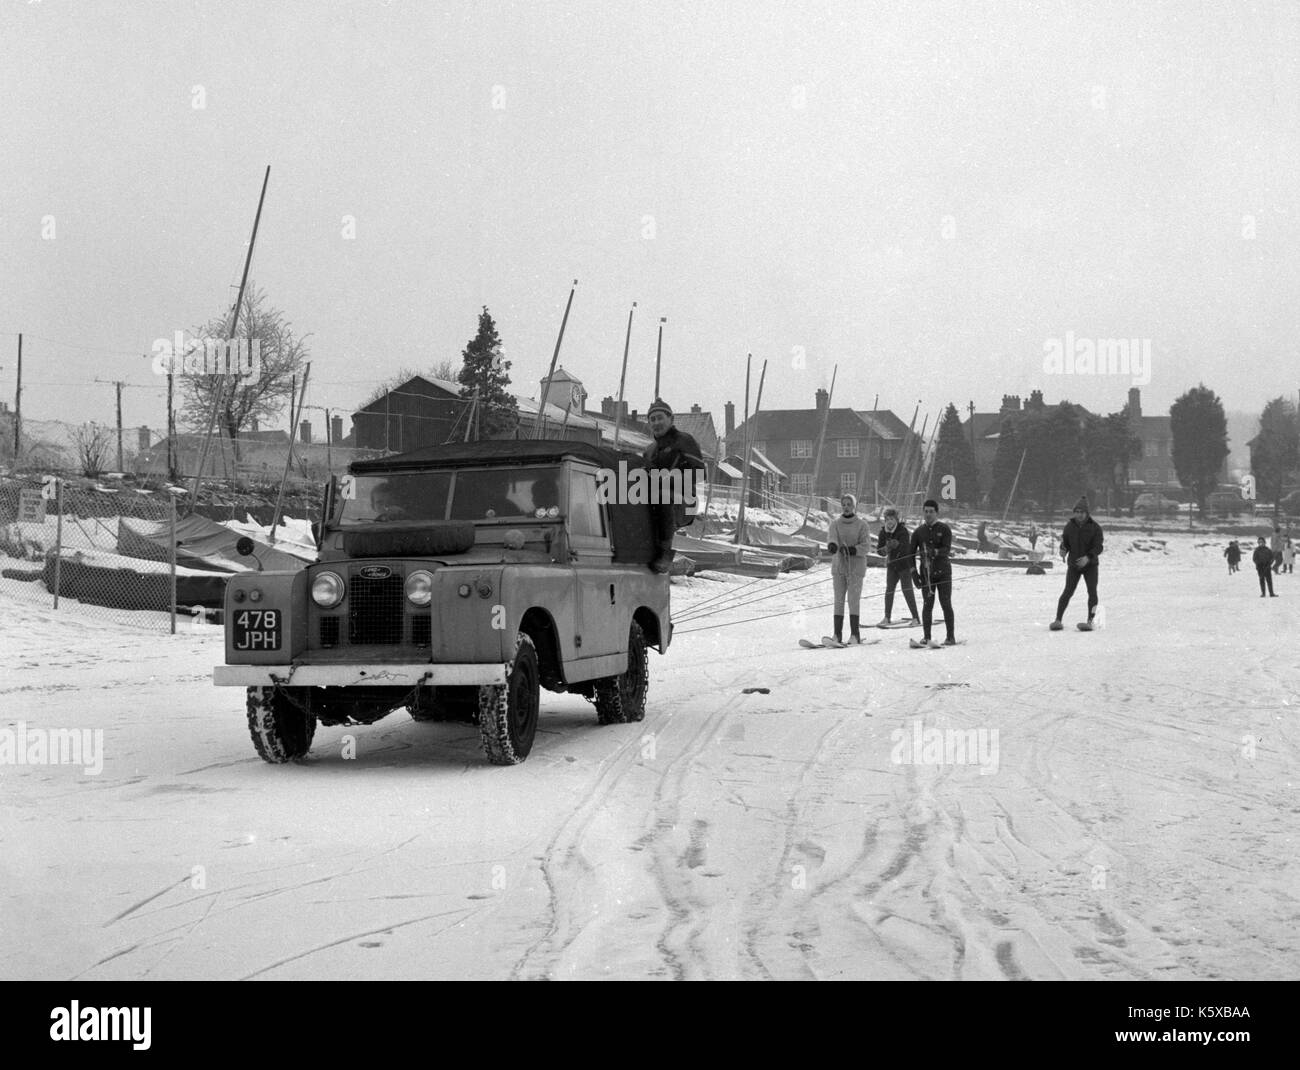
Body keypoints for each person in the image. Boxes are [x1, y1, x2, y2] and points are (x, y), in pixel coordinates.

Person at [643, 398, 706, 574]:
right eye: (652, 419)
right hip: (657, 500)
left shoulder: (684, 441)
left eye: (660, 417)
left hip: (685, 502)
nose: (656, 423)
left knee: (663, 496)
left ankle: (665, 554)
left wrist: (669, 479)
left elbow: (700, 473)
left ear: (671, 419)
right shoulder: (649, 451)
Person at [1051, 496, 1103, 629]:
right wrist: (1063, 550)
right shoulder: (1069, 526)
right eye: (1077, 512)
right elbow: (1066, 543)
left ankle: (1090, 621)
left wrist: (1088, 558)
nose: (1079, 515)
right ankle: (1058, 620)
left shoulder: (1095, 528)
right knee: (1068, 591)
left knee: (1092, 592)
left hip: (1090, 566)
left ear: (1087, 513)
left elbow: (1098, 547)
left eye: (1082, 512)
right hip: (1074, 565)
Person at [909, 498, 956, 646]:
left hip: (943, 572)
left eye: (931, 512)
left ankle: (950, 637)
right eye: (926, 511)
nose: (928, 514)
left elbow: (947, 549)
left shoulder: (944, 529)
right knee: (927, 605)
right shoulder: (918, 532)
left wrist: (935, 551)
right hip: (927, 574)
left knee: (945, 603)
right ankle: (926, 636)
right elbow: (910, 555)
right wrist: (914, 574)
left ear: (936, 513)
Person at [827, 493, 871, 643]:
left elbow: (866, 547)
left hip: (856, 568)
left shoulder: (862, 525)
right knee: (838, 599)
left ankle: (854, 634)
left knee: (853, 600)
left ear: (854, 506)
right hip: (839, 567)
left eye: (849, 504)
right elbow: (832, 538)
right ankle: (837, 634)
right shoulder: (835, 524)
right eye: (844, 504)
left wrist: (853, 550)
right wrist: (833, 546)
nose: (846, 507)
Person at [875, 506, 920, 626]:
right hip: (891, 565)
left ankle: (916, 617)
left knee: (907, 591)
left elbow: (906, 548)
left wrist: (896, 545)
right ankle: (887, 617)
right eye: (887, 519)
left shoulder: (903, 531)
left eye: (892, 519)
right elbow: (879, 550)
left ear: (896, 520)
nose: (889, 522)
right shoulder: (883, 532)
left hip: (904, 565)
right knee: (889, 591)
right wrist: (884, 549)